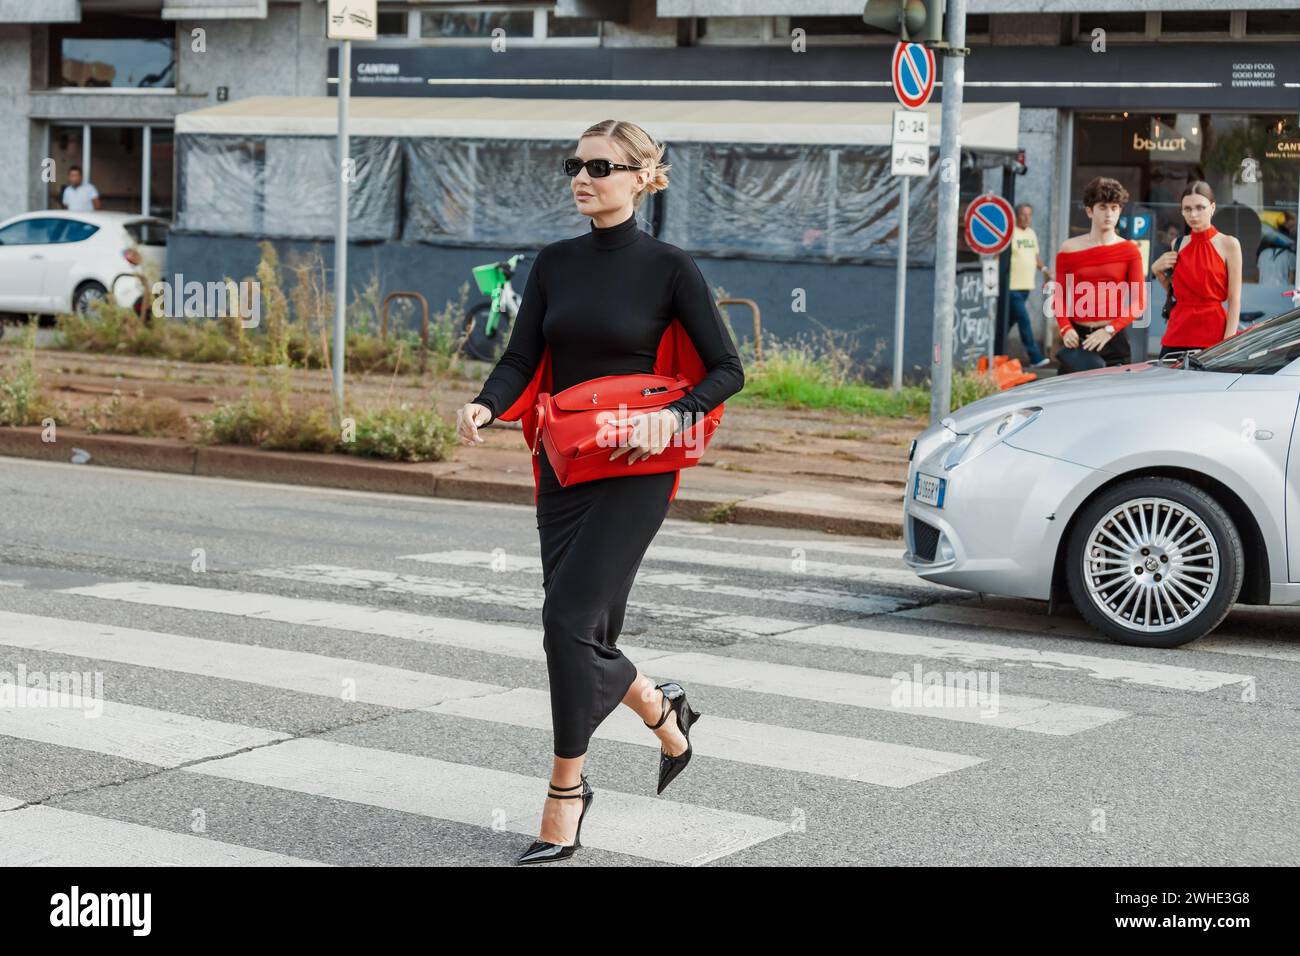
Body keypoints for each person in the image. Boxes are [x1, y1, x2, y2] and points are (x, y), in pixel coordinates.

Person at [455, 120, 745, 864]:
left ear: (643, 177)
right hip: (565, 467)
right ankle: (658, 702)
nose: (583, 177)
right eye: (574, 165)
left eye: (600, 166)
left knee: (565, 623)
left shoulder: (670, 267)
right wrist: (488, 403)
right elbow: (522, 356)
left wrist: (671, 416)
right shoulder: (554, 263)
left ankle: (565, 795)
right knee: (585, 635)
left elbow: (726, 369)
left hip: (637, 467)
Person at [1050, 176, 1146, 369]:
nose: (1109, 214)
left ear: (1120, 211)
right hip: (1077, 339)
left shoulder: (1130, 251)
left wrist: (1110, 330)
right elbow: (1058, 296)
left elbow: (1139, 302)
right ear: (1089, 211)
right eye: (1102, 207)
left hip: (1113, 338)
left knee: (1113, 399)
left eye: (1114, 207)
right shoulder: (1069, 248)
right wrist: (1065, 328)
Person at [1151, 181, 1242, 360]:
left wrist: (1229, 342)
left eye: (1200, 207)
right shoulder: (1177, 244)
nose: (1193, 214)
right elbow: (1178, 292)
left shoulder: (1229, 244)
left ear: (1212, 207)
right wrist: (1157, 270)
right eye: (1187, 208)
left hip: (1213, 336)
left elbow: (1235, 298)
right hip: (1177, 333)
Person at [1008, 203, 1052, 367]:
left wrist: (1045, 269)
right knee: (1024, 320)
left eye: (1029, 215)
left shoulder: (1031, 233)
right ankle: (1035, 357)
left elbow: (1035, 258)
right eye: (1023, 214)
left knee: (1007, 323)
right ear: (1016, 216)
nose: (1027, 218)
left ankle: (993, 352)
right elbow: (999, 256)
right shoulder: (1010, 232)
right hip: (1011, 287)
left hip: (1025, 287)